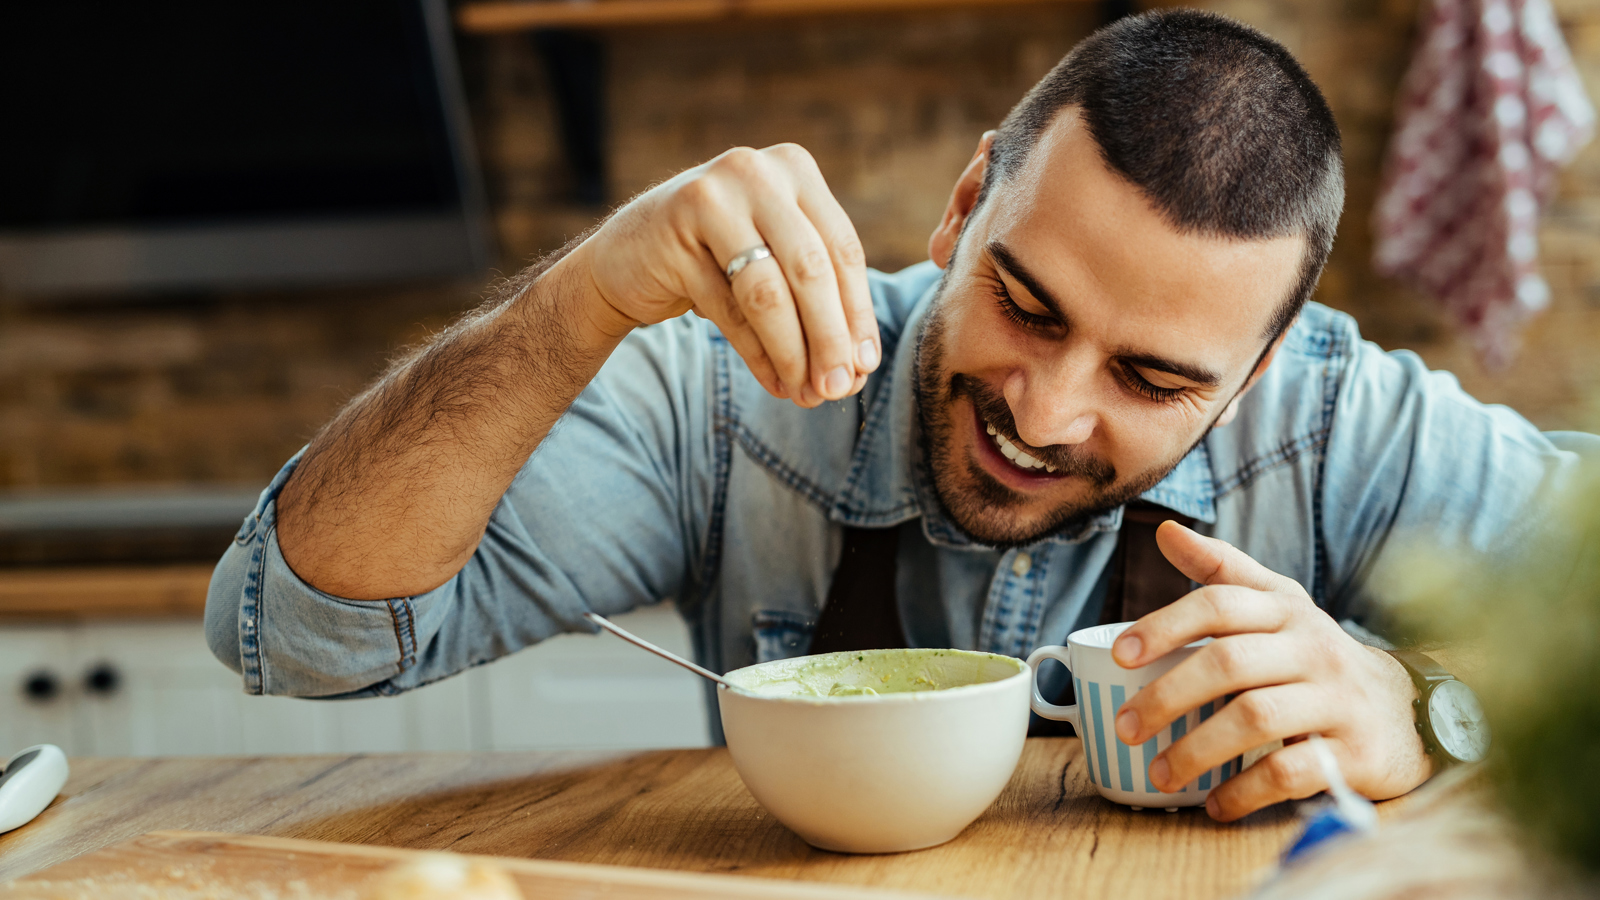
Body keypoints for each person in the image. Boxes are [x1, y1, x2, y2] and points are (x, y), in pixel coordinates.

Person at [205, 9, 1585, 822]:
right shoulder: (718, 387)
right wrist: (574, 303)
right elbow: (299, 638)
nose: (1045, 413)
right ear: (965, 201)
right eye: (1027, 305)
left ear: (1264, 363)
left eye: (1154, 380)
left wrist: (1424, 708)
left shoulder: (1346, 423)